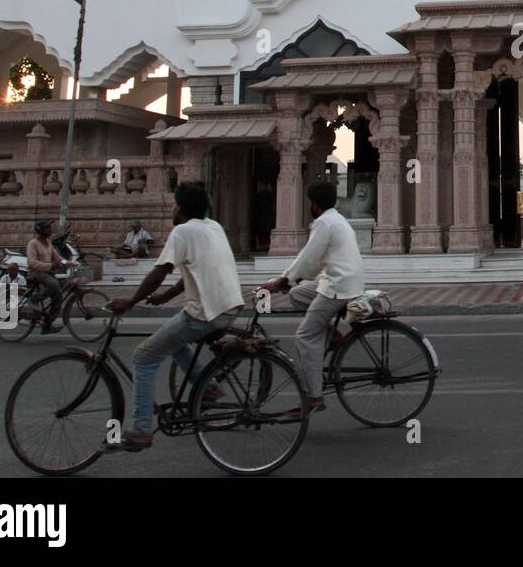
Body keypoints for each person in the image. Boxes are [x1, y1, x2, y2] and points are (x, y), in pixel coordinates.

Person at [106, 182, 244, 452]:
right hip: (229, 306)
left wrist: (130, 302)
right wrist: (163, 298)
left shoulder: (182, 231)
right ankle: (210, 387)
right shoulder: (213, 227)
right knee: (174, 341)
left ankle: (141, 430)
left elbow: (160, 272)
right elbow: (191, 275)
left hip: (206, 312)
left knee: (143, 357)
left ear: (179, 207)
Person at [260, 180, 364, 416]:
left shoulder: (324, 223)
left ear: (314, 204)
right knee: (298, 295)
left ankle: (314, 397)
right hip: (343, 280)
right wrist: (292, 281)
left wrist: (281, 281)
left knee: (305, 336)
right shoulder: (337, 219)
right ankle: (331, 333)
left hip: (338, 286)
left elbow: (308, 257)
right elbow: (317, 260)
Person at [26, 220, 68, 334]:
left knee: (58, 298)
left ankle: (47, 324)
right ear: (40, 230)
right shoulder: (33, 243)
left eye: (50, 227)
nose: (50, 230)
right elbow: (31, 262)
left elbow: (57, 257)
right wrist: (50, 265)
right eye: (47, 228)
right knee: (54, 284)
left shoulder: (48, 242)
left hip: (48, 272)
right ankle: (34, 299)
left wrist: (68, 262)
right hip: (36, 272)